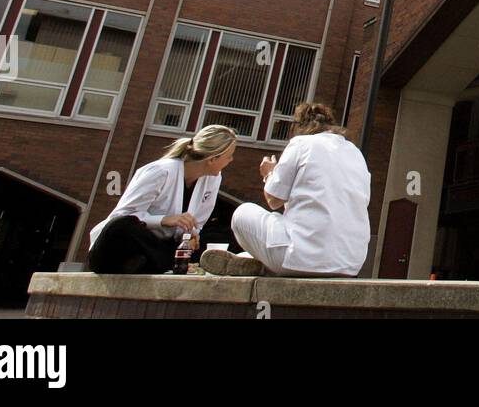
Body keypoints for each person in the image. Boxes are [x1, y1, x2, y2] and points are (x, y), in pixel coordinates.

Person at [202, 102, 370, 278]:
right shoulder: (356, 154)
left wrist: (269, 174)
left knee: (242, 213)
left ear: (298, 127)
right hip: (350, 263)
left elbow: (274, 200)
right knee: (281, 226)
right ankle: (252, 261)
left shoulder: (301, 143)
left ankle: (262, 265)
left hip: (302, 258)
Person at [89, 124, 237, 274]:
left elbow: (196, 224)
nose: (231, 160)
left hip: (163, 248)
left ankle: (169, 263)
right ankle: (171, 264)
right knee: (121, 225)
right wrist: (165, 220)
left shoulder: (213, 179)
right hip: (120, 251)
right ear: (212, 159)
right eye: (229, 156)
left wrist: (191, 237)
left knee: (226, 234)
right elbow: (121, 216)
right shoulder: (160, 171)